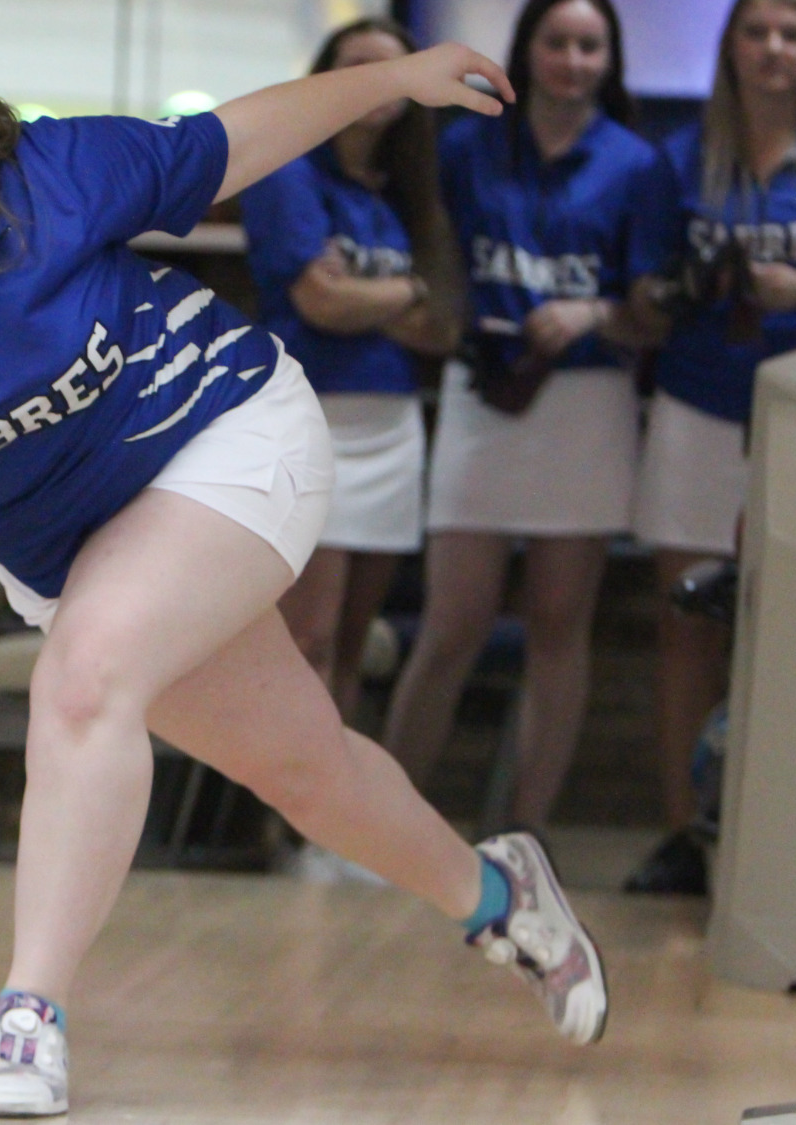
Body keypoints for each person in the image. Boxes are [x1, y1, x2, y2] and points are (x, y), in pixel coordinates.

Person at [0, 27, 604, 1119]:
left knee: (83, 677)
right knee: (304, 771)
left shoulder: (50, 175)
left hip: (225, 438)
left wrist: (393, 80)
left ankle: (27, 1017)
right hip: (79, 556)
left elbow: (238, 141)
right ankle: (499, 895)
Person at [625, 0, 796, 894]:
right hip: (697, 407)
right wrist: (671, 292)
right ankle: (687, 836)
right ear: (730, 49)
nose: (775, 49)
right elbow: (636, 304)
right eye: (757, 32)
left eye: (793, 33)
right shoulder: (678, 161)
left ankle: (795, 833)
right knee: (686, 628)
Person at [380, 0, 669, 835]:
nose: (573, 60)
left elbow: (650, 309)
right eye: (558, 42)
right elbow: (432, 259)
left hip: (585, 400)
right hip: (484, 392)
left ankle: (524, 832)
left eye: (590, 46)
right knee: (452, 625)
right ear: (528, 50)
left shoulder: (636, 163)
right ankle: (391, 828)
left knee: (557, 625)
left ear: (609, 60)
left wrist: (594, 314)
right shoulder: (468, 147)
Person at [239, 16, 462, 718]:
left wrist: (376, 299)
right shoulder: (286, 170)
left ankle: (324, 822)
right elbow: (319, 300)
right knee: (306, 639)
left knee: (353, 642)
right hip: (310, 421)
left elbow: (444, 327)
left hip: (393, 429)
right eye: (358, 64)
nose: (375, 82)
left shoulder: (410, 188)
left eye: (390, 69)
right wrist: (407, 290)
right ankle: (280, 821)